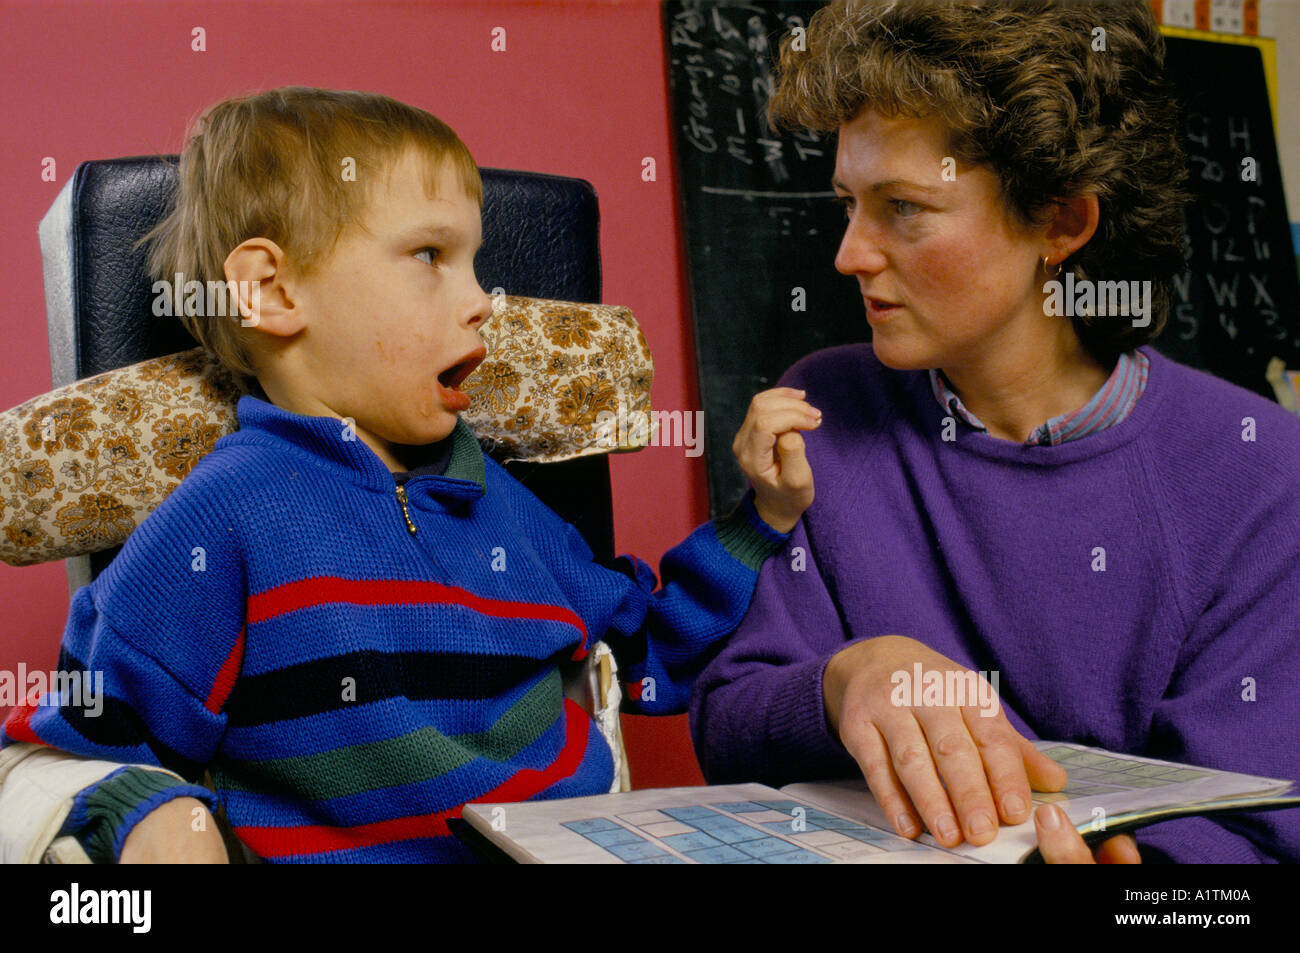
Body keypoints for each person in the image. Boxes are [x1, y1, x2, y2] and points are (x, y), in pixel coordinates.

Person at [0, 87, 821, 863]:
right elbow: (71, 750)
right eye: (430, 255)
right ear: (273, 290)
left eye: (476, 261)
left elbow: (646, 652)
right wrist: (150, 815)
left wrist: (763, 520)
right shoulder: (219, 521)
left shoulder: (506, 507)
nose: (483, 302)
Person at [690, 0, 1300, 863]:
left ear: (1062, 223)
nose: (850, 253)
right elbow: (727, 721)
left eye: (903, 207)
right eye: (848, 203)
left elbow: (1259, 849)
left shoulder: (1264, 474)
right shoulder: (822, 407)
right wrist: (846, 678)